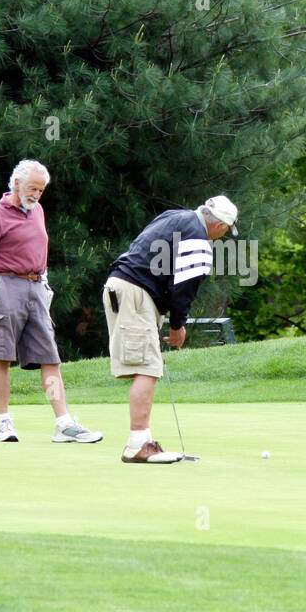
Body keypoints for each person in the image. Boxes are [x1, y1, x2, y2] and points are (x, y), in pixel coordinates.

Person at [0, 159, 102, 444]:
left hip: (36, 287)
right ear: (17, 184)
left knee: (49, 357)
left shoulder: (38, 211)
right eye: (33, 188)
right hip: (6, 284)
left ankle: (63, 424)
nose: (36, 195)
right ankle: (4, 423)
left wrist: (43, 284)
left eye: (41, 191)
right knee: (3, 355)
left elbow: (39, 249)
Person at [103, 196, 238, 463]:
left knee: (145, 365)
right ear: (220, 226)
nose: (221, 237)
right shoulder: (199, 239)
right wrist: (178, 327)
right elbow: (184, 289)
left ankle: (141, 441)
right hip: (136, 294)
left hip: (123, 288)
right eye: (225, 232)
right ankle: (138, 444)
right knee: (148, 367)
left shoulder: (174, 216)